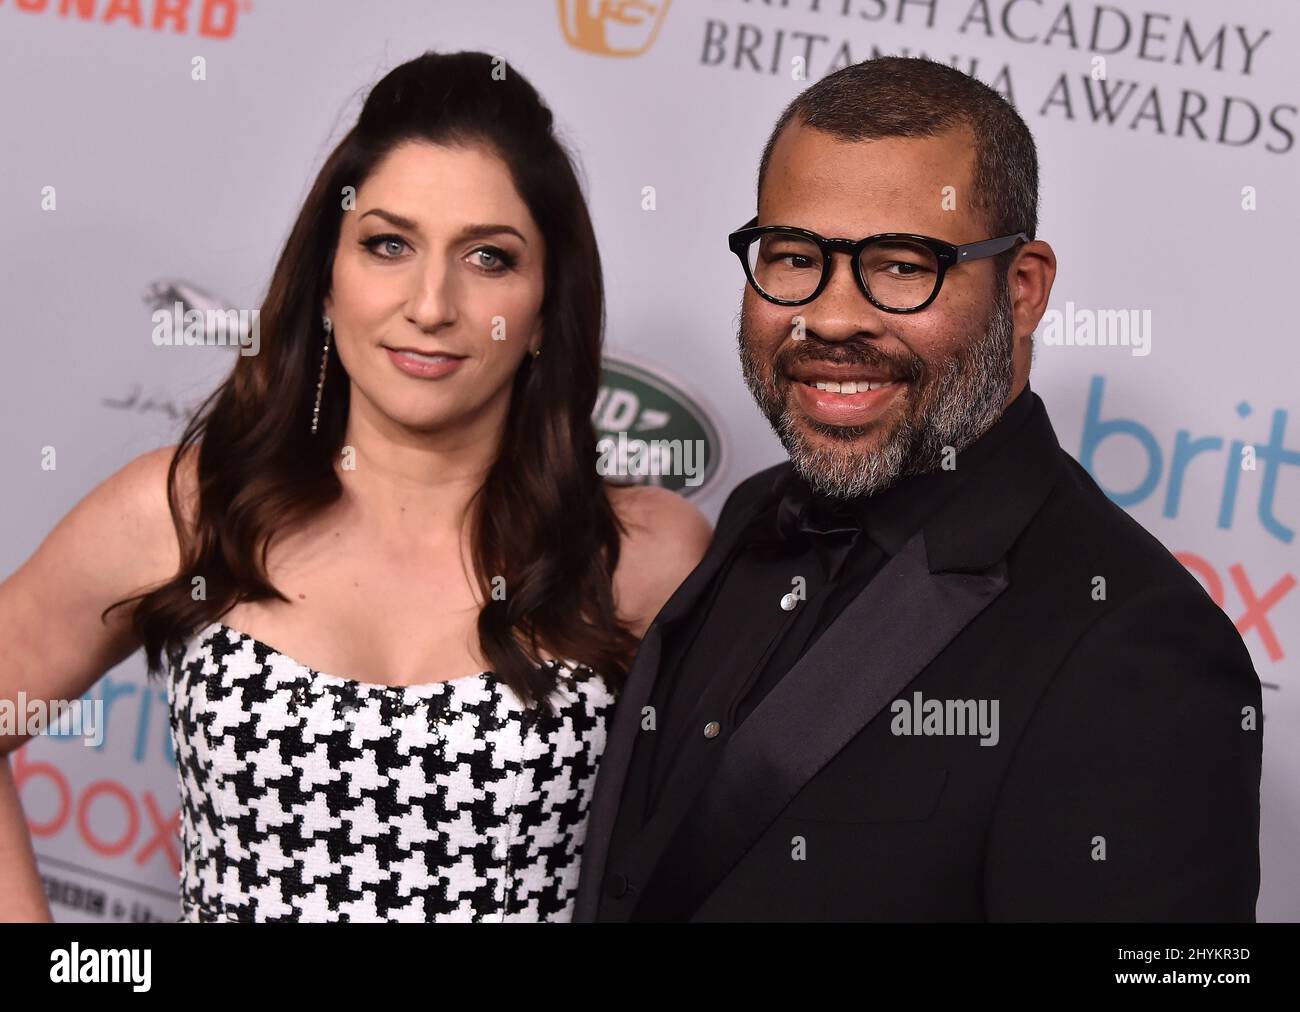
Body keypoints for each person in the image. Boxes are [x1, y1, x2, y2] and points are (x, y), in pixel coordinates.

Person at [0, 50, 711, 923]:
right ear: (328, 285)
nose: (430, 303)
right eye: (388, 244)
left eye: (488, 257)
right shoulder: (190, 511)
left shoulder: (641, 556)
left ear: (542, 311)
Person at [575, 56, 1263, 922]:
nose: (829, 317)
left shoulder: (1136, 646)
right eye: (794, 257)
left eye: (902, 267)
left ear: (1023, 290)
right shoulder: (757, 509)